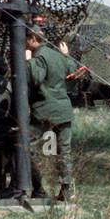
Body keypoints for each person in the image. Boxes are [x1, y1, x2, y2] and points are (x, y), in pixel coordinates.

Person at [25, 27, 74, 202]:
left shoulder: (38, 57)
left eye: (26, 40)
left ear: (32, 39)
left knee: (27, 147)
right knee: (65, 151)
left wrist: (28, 62)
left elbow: (36, 78)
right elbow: (72, 70)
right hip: (64, 110)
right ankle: (66, 190)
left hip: (45, 111)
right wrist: (66, 55)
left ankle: (38, 188)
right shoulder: (58, 55)